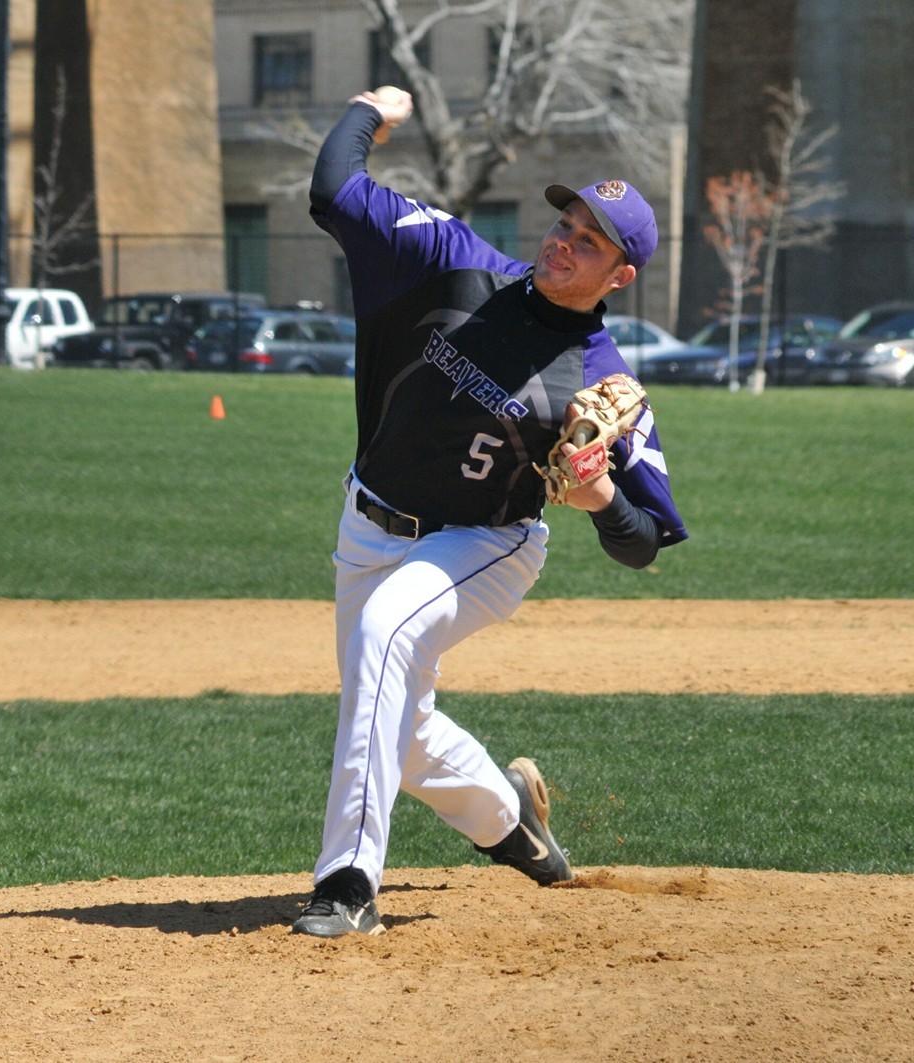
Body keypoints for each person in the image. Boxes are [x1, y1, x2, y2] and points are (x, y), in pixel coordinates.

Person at [292, 87, 688, 938]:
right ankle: (512, 818)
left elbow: (644, 544)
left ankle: (347, 885)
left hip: (488, 544)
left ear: (620, 276)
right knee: (399, 727)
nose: (564, 243)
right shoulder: (454, 261)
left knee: (387, 637)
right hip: (368, 522)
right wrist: (370, 109)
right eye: (565, 223)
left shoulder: (602, 379)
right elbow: (334, 192)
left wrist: (603, 496)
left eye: (590, 243)